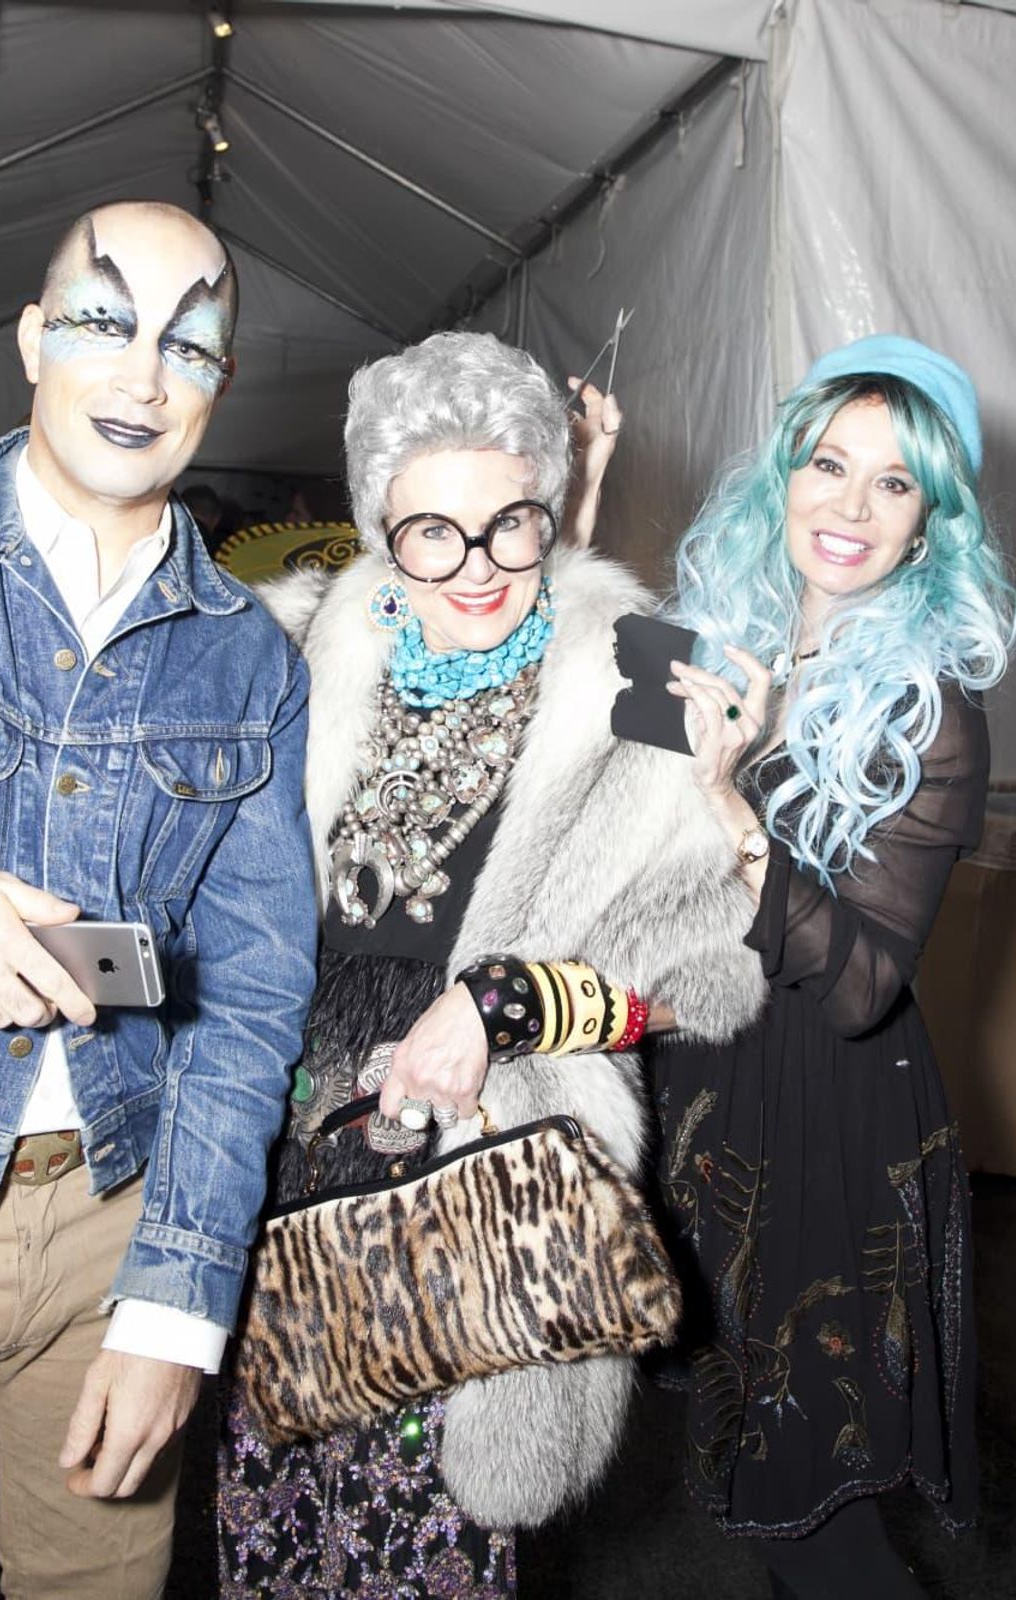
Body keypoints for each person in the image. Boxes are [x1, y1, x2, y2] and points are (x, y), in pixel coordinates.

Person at [210, 330, 770, 1596]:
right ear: (379, 527)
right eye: (432, 532)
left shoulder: (636, 686)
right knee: (272, 1536)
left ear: (547, 511)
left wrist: (508, 1003)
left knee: (429, 1551)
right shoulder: (299, 651)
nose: (475, 567)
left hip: (480, 1199)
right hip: (285, 1192)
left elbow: (708, 979)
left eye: (509, 525)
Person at [0, 201, 317, 1600]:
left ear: (222, 382)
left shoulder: (251, 662)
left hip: (118, 1219)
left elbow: (251, 998)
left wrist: (179, 1302)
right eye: (105, 322)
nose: (144, 375)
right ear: (34, 339)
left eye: (190, 346)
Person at [653, 335, 1016, 1597]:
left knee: (815, 1510)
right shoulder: (738, 649)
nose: (852, 505)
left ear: (929, 525)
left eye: (894, 482)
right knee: (749, 1473)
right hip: (711, 1091)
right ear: (783, 477)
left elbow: (863, 985)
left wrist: (731, 811)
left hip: (829, 1122)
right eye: (829, 464)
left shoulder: (933, 709)